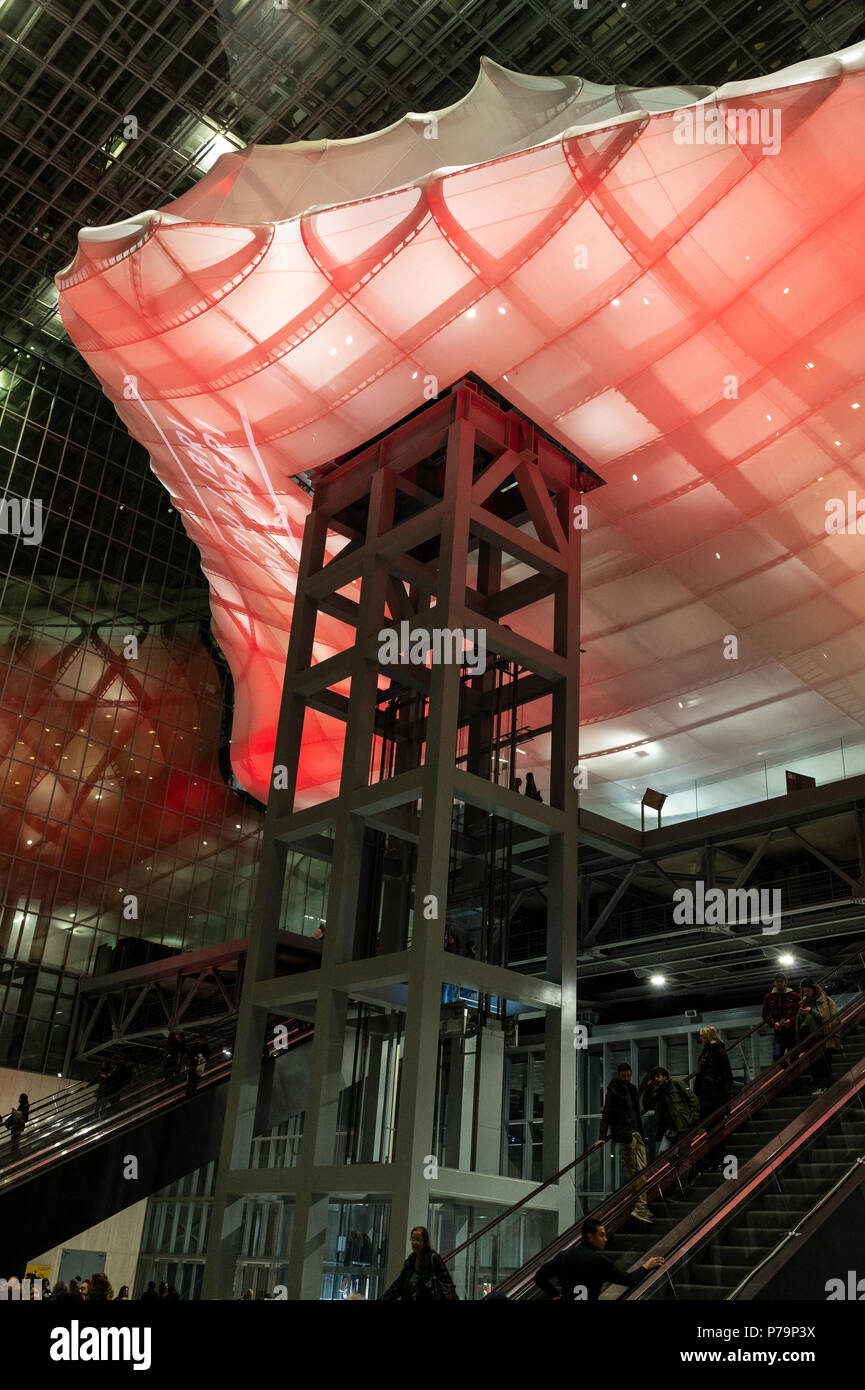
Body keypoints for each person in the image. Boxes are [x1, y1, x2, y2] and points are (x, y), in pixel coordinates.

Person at [534, 1218, 664, 1301]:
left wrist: (554, 1294)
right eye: (602, 1235)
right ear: (590, 1237)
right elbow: (629, 1280)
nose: (605, 1239)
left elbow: (539, 1277)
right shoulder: (599, 1262)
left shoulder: (564, 1255)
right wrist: (646, 1267)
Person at [593, 1062, 652, 1223]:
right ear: (619, 1074)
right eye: (624, 1076)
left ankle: (640, 1206)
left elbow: (636, 1110)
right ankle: (640, 1207)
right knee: (638, 1172)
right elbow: (606, 1113)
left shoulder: (631, 1089)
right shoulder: (613, 1091)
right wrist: (602, 1136)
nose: (627, 1078)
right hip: (626, 1135)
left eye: (628, 1076)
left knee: (641, 1172)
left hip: (636, 1134)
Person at [380, 1226, 458, 1301]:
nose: (414, 1243)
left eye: (417, 1240)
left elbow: (447, 1285)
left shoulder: (433, 1258)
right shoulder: (411, 1260)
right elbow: (398, 1285)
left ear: (425, 1242)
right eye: (412, 1239)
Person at [796, 979, 839, 1094]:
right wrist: (801, 1015)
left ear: (813, 989)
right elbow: (801, 1023)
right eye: (804, 991)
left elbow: (827, 1019)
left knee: (825, 1062)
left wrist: (811, 1012)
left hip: (824, 1036)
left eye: (808, 990)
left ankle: (827, 1086)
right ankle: (818, 1086)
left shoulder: (826, 1001)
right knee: (814, 1064)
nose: (806, 993)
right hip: (810, 1037)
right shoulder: (803, 1002)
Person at [648, 1067, 700, 1156]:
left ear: (665, 1077)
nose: (656, 1079)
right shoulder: (658, 1093)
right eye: (654, 1078)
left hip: (682, 1127)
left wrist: (693, 1119)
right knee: (662, 1154)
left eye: (658, 1076)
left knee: (683, 1155)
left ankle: (687, 1169)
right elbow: (647, 1103)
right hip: (669, 1130)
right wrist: (649, 1087)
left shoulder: (676, 1084)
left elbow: (693, 1100)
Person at [693, 1027, 734, 1121]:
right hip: (705, 1094)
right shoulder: (705, 1052)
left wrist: (714, 1083)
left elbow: (727, 1073)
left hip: (715, 1096)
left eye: (702, 1036)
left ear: (708, 1036)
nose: (701, 1038)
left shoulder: (719, 1052)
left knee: (715, 1122)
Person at [762, 973, 800, 1061]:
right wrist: (773, 1023)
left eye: (781, 981)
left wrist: (791, 1021)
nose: (779, 983)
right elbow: (765, 1014)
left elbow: (800, 1012)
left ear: (785, 982)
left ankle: (793, 1073)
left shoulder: (795, 996)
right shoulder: (769, 997)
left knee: (794, 1057)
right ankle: (786, 1071)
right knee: (777, 1056)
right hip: (778, 1031)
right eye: (777, 981)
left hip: (792, 1031)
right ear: (774, 982)